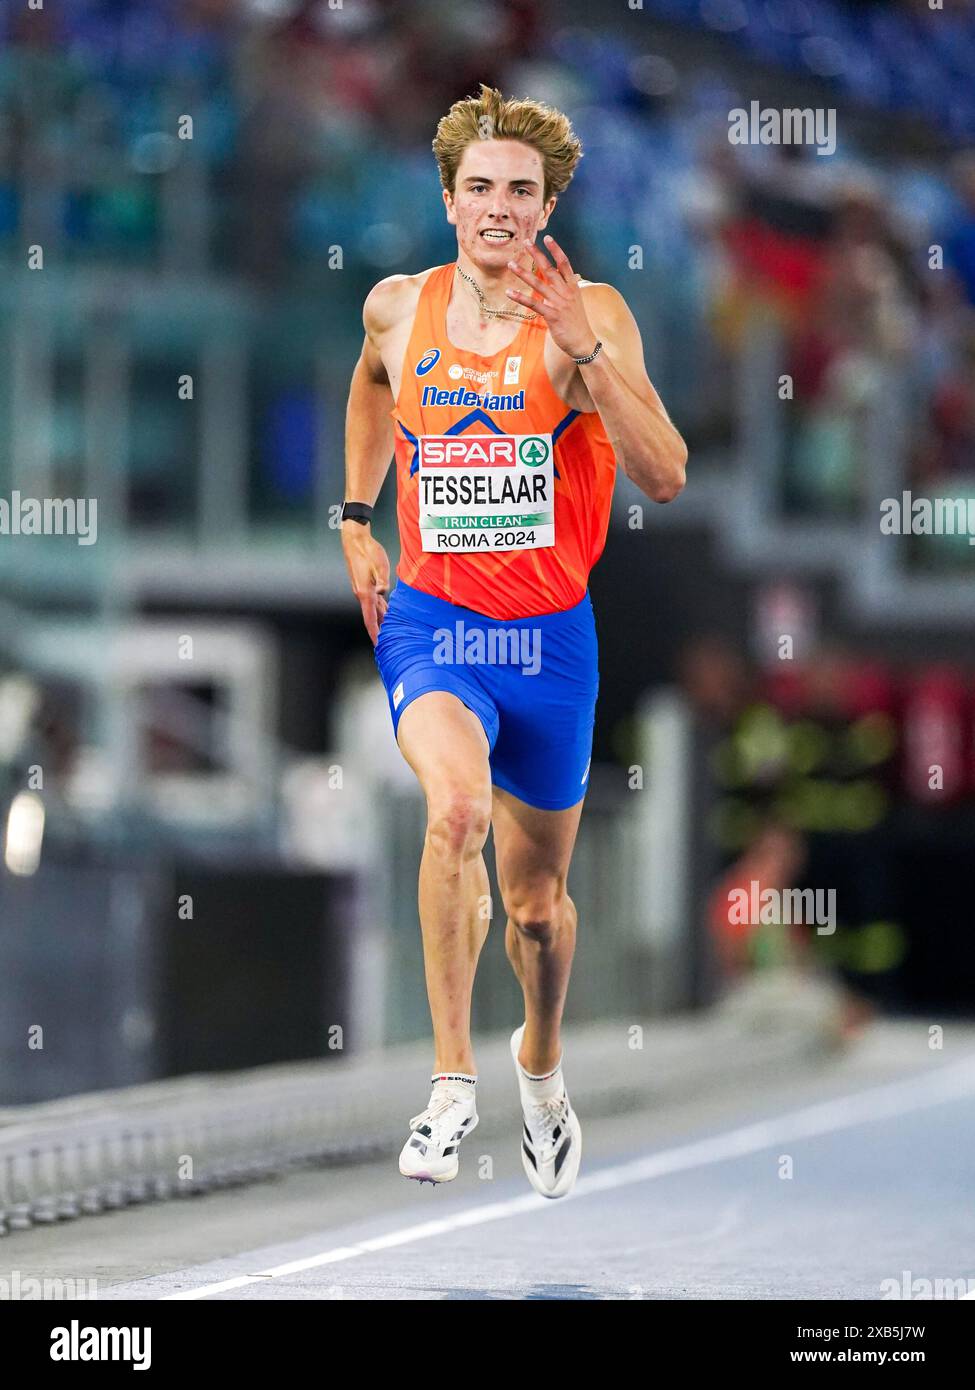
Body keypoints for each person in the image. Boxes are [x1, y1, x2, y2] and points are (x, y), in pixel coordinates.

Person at [341, 84, 687, 1198]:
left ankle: (539, 1066)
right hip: (434, 626)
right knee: (454, 809)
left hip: (548, 644)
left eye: (521, 191)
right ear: (449, 203)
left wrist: (585, 349)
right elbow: (369, 388)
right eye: (480, 188)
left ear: (548, 207)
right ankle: (451, 1084)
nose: (499, 207)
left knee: (536, 909)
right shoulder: (399, 308)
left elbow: (666, 473)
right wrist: (356, 517)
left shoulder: (592, 312)